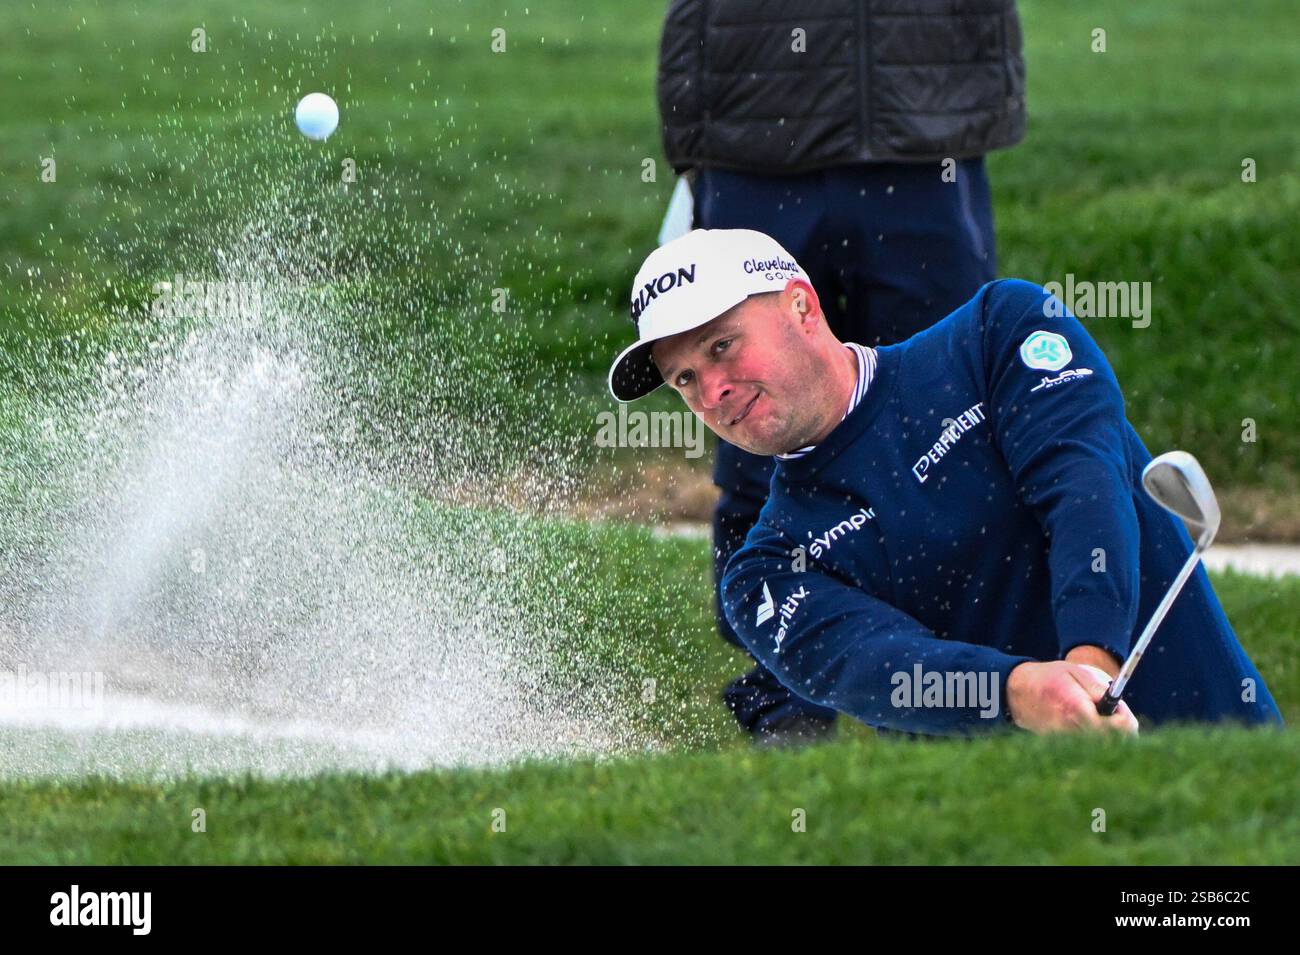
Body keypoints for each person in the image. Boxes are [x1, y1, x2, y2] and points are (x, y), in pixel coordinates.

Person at [608, 229, 1283, 735]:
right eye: (685, 380)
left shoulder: (999, 334)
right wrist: (1022, 692)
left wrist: (1089, 669)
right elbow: (879, 666)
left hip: (1233, 773)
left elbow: (1082, 484)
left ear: (802, 307)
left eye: (722, 345)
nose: (713, 389)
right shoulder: (764, 572)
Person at [656, 0, 1027, 742]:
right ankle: (785, 691)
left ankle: (959, 688)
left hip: (925, 115)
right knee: (758, 408)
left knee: (944, 415)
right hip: (753, 115)